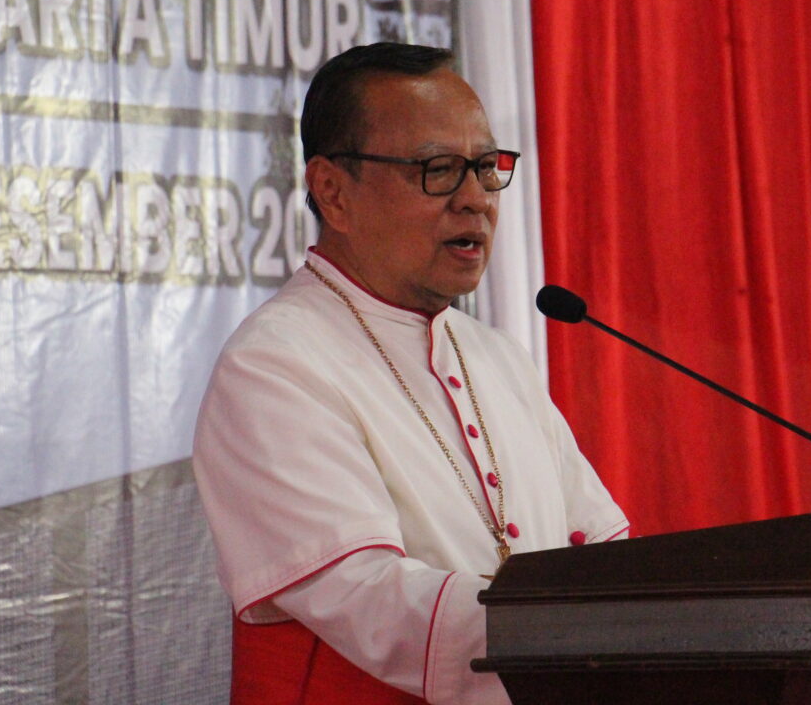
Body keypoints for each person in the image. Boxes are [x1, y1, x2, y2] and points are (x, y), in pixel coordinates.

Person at [193, 43, 628, 705]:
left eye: (485, 168)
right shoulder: (274, 365)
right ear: (333, 192)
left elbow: (603, 548)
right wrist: (579, 633)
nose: (475, 200)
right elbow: (368, 601)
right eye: (438, 170)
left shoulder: (497, 357)